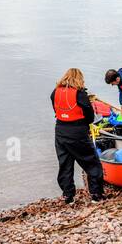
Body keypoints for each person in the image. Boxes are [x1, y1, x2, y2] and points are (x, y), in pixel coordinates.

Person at [50, 68, 105, 203]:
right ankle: (96, 195)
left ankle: (68, 196)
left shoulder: (54, 92)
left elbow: (55, 109)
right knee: (91, 162)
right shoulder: (80, 94)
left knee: (65, 164)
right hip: (78, 132)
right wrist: (84, 124)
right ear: (79, 79)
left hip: (61, 131)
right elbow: (90, 116)